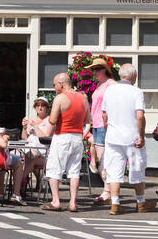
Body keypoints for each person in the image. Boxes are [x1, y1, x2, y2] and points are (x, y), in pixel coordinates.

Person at [99, 63, 155, 215]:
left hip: (113, 136)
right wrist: (141, 135)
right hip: (132, 136)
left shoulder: (109, 90)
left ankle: (115, 204)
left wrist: (108, 131)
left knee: (114, 171)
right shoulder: (136, 92)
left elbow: (104, 115)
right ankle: (141, 202)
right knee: (137, 167)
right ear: (134, 76)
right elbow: (140, 115)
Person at [44, 72, 88, 212]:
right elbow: (88, 120)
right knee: (74, 171)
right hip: (77, 137)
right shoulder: (83, 97)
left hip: (62, 136)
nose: (54, 87)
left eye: (55, 85)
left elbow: (52, 120)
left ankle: (56, 201)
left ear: (61, 84)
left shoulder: (60, 98)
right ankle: (73, 202)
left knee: (54, 168)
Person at [86, 58, 116, 205]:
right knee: (101, 159)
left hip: (105, 125)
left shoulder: (111, 84)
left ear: (104, 69)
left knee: (105, 159)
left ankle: (107, 192)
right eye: (93, 69)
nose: (94, 72)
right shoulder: (99, 84)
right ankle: (108, 190)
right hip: (96, 124)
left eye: (97, 69)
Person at [20, 96, 54, 188]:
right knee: (13, 155)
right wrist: (24, 128)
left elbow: (45, 138)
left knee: (32, 156)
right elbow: (24, 138)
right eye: (37, 105)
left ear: (47, 107)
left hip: (44, 153)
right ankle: (25, 181)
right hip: (29, 149)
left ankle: (20, 181)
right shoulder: (32, 120)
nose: (40, 107)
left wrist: (35, 127)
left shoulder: (50, 120)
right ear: (35, 107)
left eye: (43, 105)